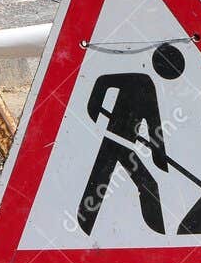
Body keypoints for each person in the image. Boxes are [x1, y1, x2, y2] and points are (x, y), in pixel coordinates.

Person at [76, 43, 187, 235]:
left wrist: (160, 159)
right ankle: (84, 226)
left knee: (103, 178)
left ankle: (84, 226)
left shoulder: (147, 84)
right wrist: (95, 114)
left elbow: (155, 128)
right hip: (113, 139)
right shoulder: (142, 81)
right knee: (139, 182)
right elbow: (102, 83)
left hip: (121, 141)